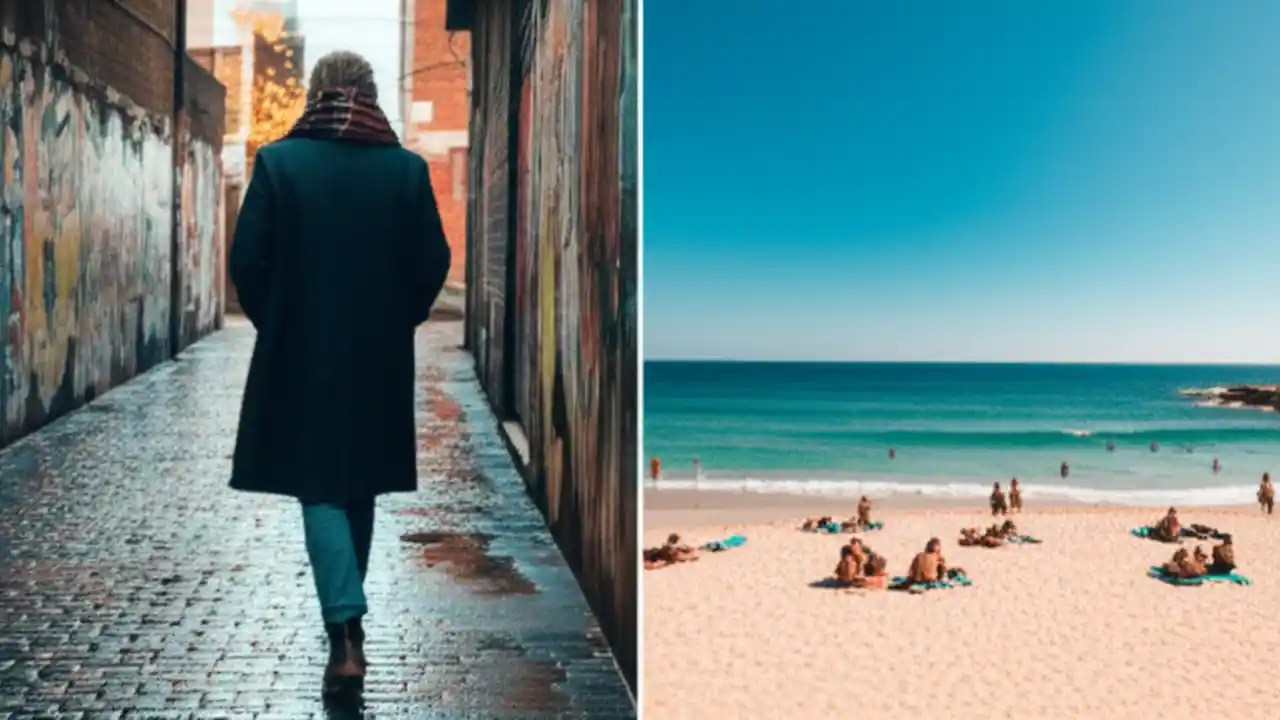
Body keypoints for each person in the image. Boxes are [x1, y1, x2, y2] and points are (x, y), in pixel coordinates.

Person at [228, 51, 451, 697]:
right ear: (372, 94)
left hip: (303, 354)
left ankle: (344, 635)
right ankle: (347, 623)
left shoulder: (278, 162)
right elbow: (432, 261)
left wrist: (282, 324)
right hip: (378, 355)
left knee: (319, 486)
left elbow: (248, 260)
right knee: (359, 487)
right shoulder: (405, 171)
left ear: (316, 94)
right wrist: (398, 318)